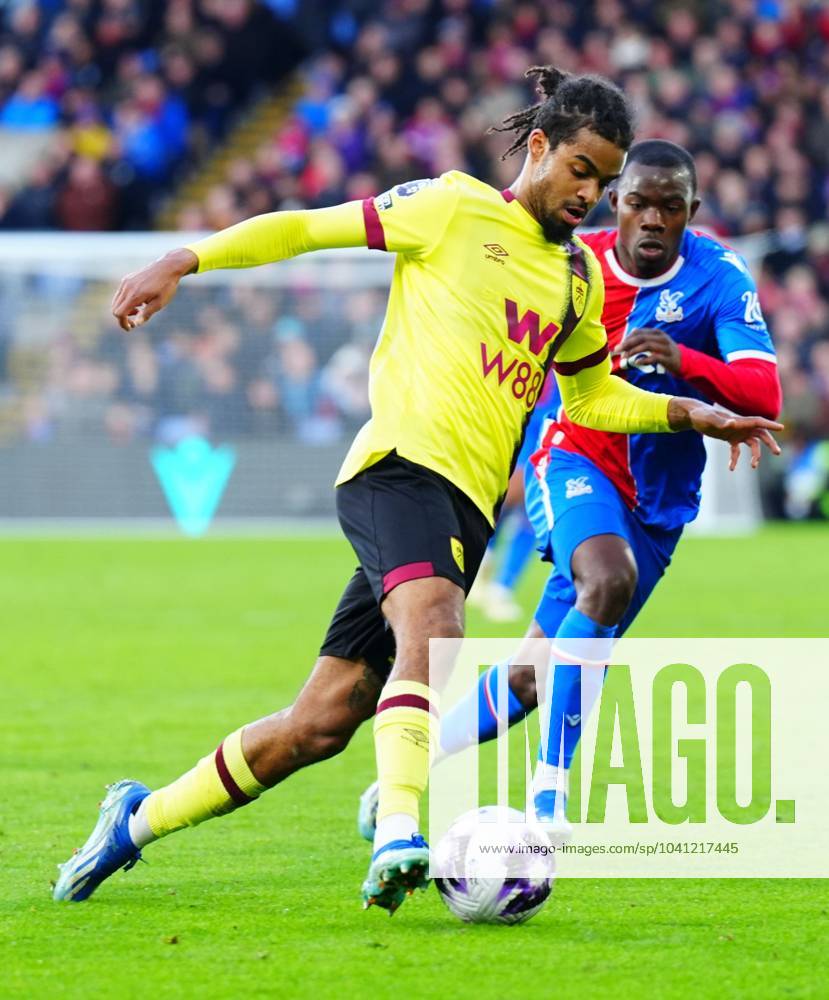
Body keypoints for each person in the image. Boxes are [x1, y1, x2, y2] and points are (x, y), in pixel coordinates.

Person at [53, 72, 781, 915]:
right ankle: (399, 830)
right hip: (398, 468)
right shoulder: (450, 208)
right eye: (581, 170)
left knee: (322, 721)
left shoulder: (578, 281)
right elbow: (304, 228)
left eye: (602, 180)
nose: (591, 193)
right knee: (435, 630)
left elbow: (591, 401)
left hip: (463, 510)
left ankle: (133, 820)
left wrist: (695, 413)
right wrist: (186, 257)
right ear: (538, 148)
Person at [357, 139, 782, 840]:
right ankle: (547, 801)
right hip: (574, 457)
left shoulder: (720, 276)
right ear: (615, 202)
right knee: (605, 581)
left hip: (658, 504)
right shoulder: (569, 267)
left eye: (669, 208)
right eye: (639, 202)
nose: (652, 219)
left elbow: (761, 390)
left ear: (690, 212)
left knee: (532, 675)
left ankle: (407, 772)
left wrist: (686, 360)